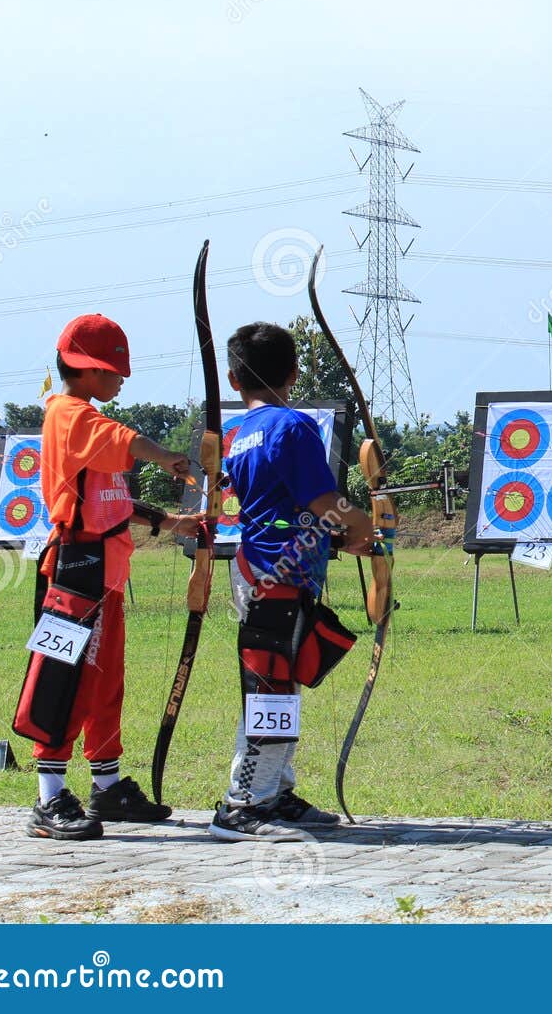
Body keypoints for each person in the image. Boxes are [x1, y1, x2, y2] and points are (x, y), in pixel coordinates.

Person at [20, 314, 200, 841]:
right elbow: (118, 437)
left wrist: (168, 522)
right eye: (112, 370)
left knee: (104, 684)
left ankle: (107, 786)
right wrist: (165, 456)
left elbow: (112, 499)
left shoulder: (88, 422)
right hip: (74, 575)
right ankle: (48, 799)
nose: (122, 379)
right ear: (86, 370)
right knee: (61, 681)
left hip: (106, 572)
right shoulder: (67, 414)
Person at [208, 321, 373, 843]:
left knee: (279, 681)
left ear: (234, 381)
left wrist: (334, 539)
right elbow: (324, 502)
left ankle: (273, 792)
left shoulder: (241, 434)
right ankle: (242, 805)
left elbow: (282, 505)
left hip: (263, 568)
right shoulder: (292, 426)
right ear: (295, 374)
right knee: (271, 686)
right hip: (276, 574)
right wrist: (364, 525)